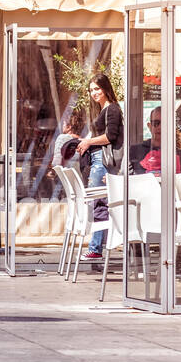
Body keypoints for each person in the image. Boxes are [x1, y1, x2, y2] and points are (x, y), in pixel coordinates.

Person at [74, 74, 122, 260]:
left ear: (105, 88)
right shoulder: (103, 109)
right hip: (97, 160)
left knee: (98, 202)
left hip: (102, 161)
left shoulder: (112, 109)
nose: (94, 93)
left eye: (97, 88)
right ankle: (96, 246)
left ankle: (96, 248)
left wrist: (88, 142)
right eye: (91, 89)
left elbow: (110, 136)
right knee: (97, 203)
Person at [129, 107, 181, 174]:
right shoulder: (134, 152)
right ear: (149, 126)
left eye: (165, 123)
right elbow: (124, 179)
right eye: (156, 123)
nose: (160, 127)